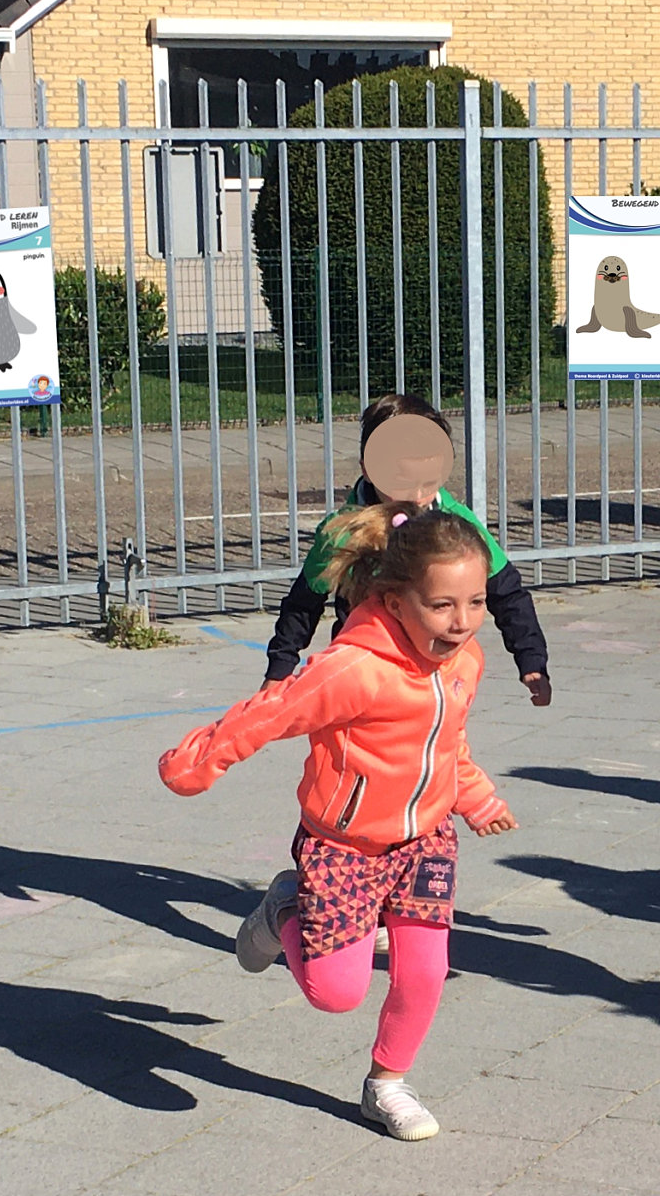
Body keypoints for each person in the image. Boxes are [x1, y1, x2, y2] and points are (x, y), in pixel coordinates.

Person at [161, 505, 518, 1141]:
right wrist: (199, 759)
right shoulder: (354, 668)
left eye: (475, 601)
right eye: (442, 606)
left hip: (425, 841)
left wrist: (477, 795)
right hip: (345, 847)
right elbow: (269, 714)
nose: (462, 622)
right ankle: (281, 912)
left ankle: (386, 1085)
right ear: (396, 598)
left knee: (426, 971)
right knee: (336, 993)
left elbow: (446, 743)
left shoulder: (465, 661)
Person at [265, 394, 550, 707]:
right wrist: (280, 668)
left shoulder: (456, 523)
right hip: (361, 672)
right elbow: (304, 604)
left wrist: (532, 661)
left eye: (427, 481)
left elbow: (507, 594)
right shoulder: (344, 531)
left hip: (434, 675)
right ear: (369, 470)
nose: (417, 496)